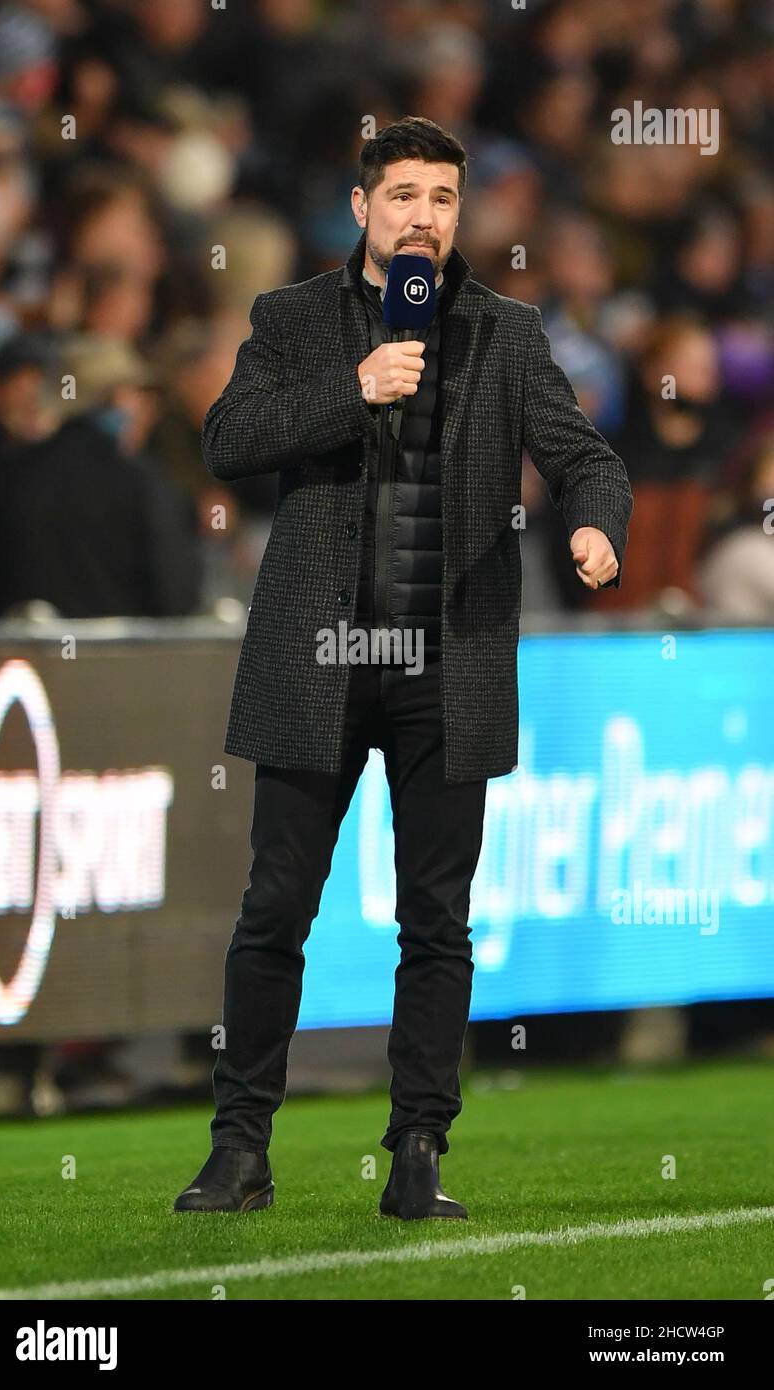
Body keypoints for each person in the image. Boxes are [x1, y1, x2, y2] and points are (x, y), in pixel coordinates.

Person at [175, 116, 633, 1220]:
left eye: (442, 197)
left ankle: (417, 1151)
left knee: (436, 921)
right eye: (404, 196)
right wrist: (355, 386)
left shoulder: (504, 332)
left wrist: (594, 526)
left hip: (449, 656)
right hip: (318, 653)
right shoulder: (291, 319)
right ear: (360, 207)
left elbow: (586, 455)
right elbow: (226, 439)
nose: (424, 215)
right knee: (273, 908)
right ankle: (240, 1147)